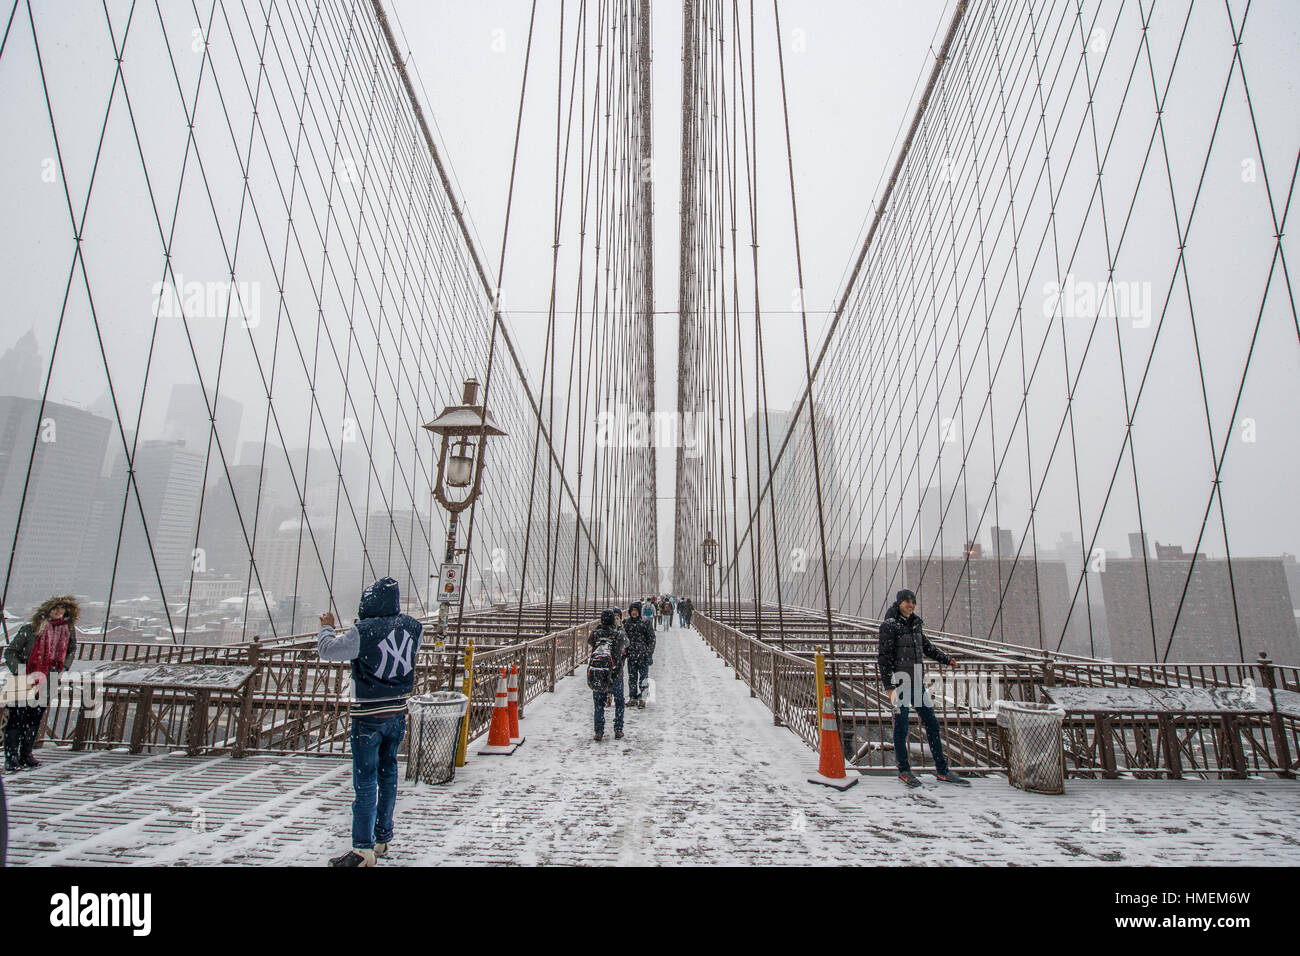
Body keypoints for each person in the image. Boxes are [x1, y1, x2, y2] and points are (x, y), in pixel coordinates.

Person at [317, 576, 425, 866]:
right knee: (388, 775)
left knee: (365, 780)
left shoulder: (363, 631)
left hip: (368, 717)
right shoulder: (414, 628)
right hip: (397, 714)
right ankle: (381, 839)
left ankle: (362, 850)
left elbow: (327, 650)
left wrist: (326, 627)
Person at [877, 588, 968, 788]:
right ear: (899, 603)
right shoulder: (889, 626)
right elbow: (883, 658)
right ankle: (904, 770)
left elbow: (927, 647)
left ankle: (942, 771)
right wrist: (888, 687)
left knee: (932, 725)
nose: (910, 605)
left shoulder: (915, 624)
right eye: (907, 601)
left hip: (917, 684)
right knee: (901, 729)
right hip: (900, 684)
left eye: (913, 602)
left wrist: (947, 660)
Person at [3, 596, 79, 772]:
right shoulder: (30, 630)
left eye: (62, 610)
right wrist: (20, 671)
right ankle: (11, 757)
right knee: (16, 719)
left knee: (34, 719)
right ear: (47, 611)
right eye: (55, 609)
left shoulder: (67, 631)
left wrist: (64, 666)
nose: (58, 613)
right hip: (24, 680)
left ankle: (26, 754)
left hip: (48, 680)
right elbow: (11, 652)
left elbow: (71, 649)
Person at [588, 609, 626, 740]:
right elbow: (626, 643)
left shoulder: (596, 634)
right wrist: (619, 627)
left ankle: (599, 731)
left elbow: (590, 642)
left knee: (598, 703)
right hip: (615, 673)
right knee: (620, 702)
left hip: (599, 674)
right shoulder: (617, 633)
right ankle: (618, 729)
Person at [624, 602, 655, 707]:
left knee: (644, 678)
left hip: (643, 655)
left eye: (636, 610)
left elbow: (651, 639)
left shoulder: (645, 623)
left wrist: (649, 653)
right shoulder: (627, 623)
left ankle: (643, 698)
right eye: (632, 610)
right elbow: (623, 639)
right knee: (632, 678)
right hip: (632, 655)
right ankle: (632, 697)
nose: (634, 612)